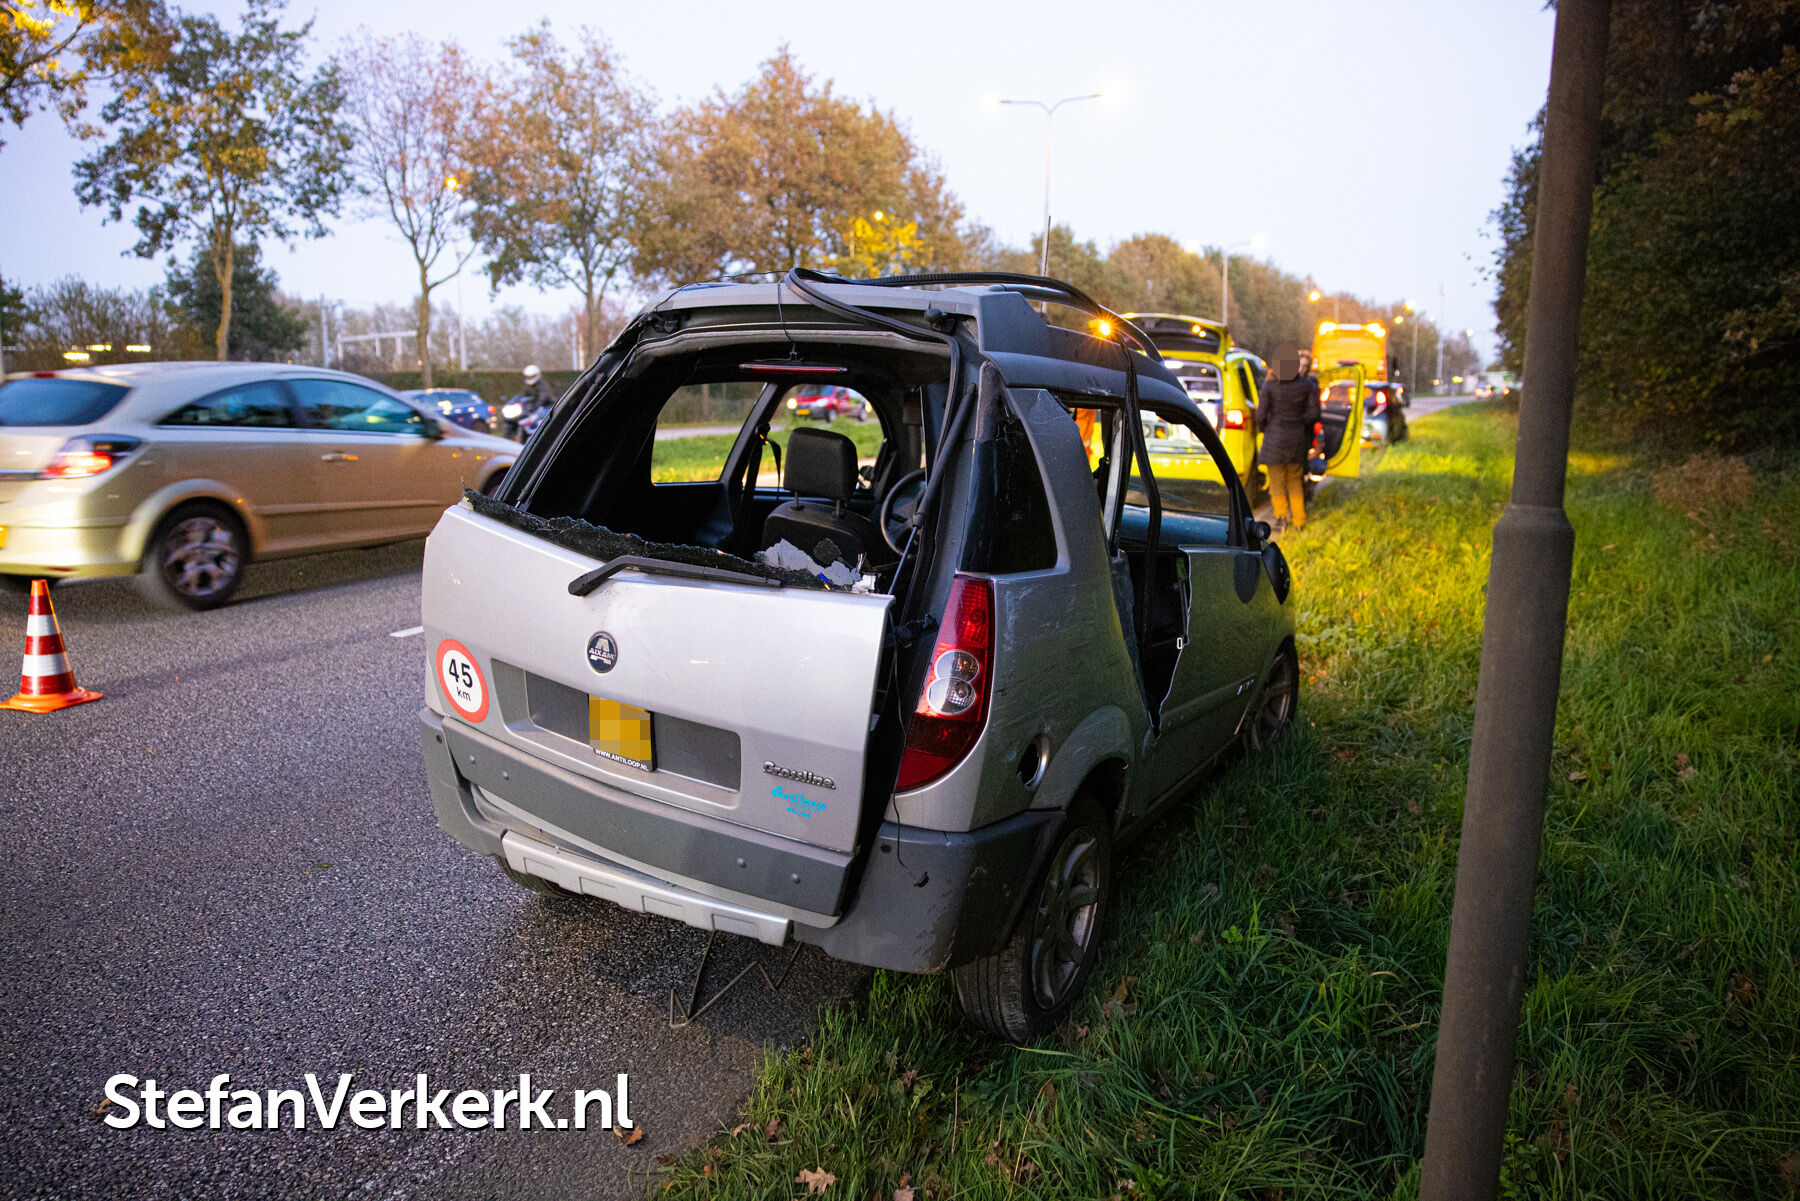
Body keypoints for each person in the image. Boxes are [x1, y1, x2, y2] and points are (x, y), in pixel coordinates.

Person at [1255, 341, 1322, 531]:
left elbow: (1261, 415)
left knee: (1276, 482)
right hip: (1297, 440)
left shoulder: (1270, 386)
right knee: (1295, 481)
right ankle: (1299, 521)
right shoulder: (1306, 385)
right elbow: (1314, 414)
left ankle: (1281, 518)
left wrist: (1265, 428)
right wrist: (1301, 424)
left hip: (1274, 439)